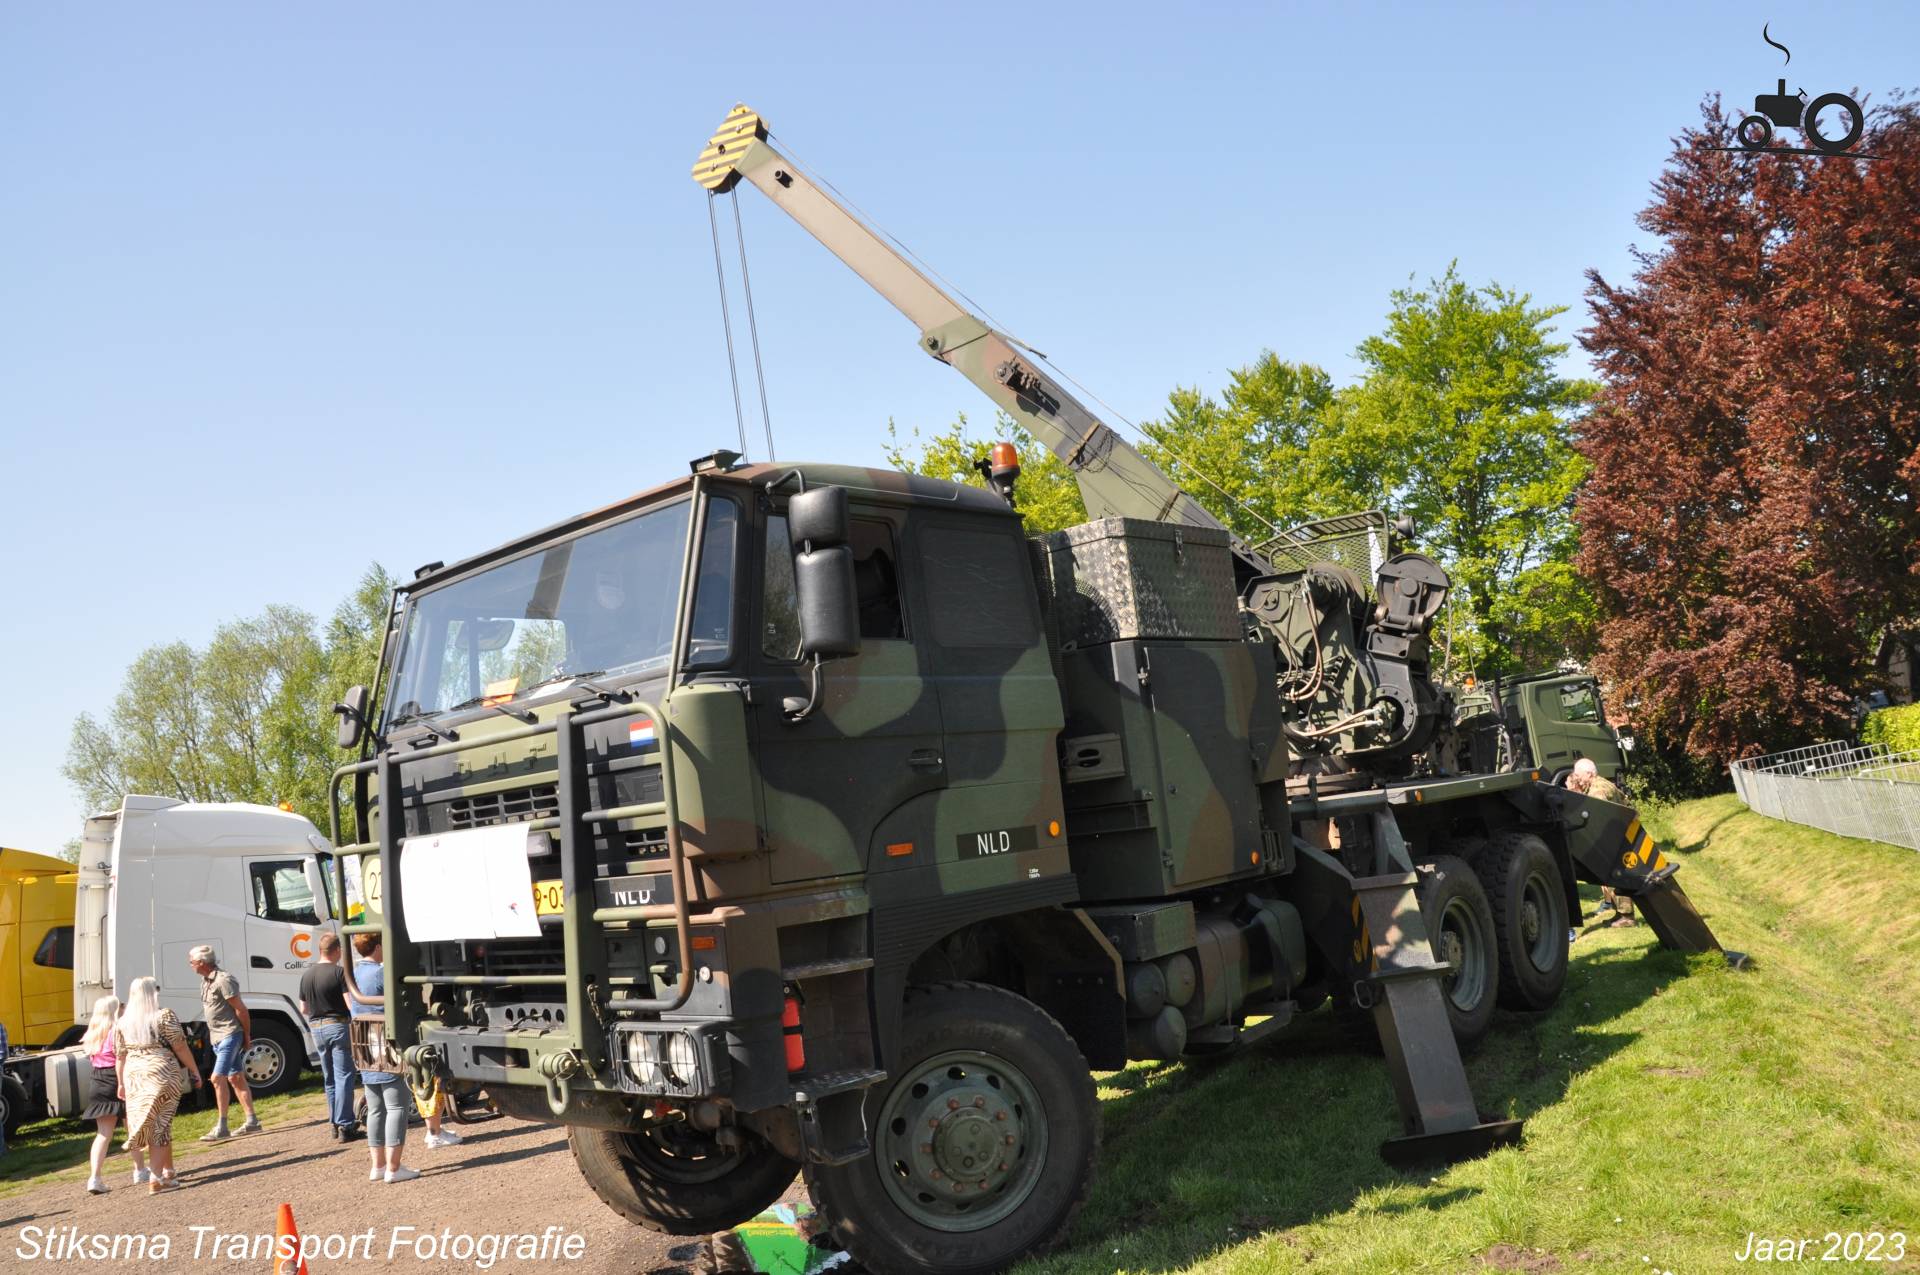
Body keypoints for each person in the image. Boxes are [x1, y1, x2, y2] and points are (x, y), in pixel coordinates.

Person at [114, 976, 202, 1193]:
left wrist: (121, 1083)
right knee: (161, 1124)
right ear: (153, 993)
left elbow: (120, 1056)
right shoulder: (164, 1015)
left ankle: (165, 1173)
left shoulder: (123, 1022)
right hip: (161, 1069)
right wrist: (194, 1069)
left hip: (134, 1073)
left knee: (149, 1124)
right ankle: (157, 1178)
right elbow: (180, 1046)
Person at [346, 933, 419, 1182]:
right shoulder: (379, 973)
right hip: (384, 1042)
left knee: (375, 1107)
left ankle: (378, 1165)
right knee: (397, 1104)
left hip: (364, 1042)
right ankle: (394, 1167)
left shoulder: (353, 972)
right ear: (378, 947)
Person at [187, 945, 262, 1139]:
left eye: (192, 961)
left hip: (230, 1034)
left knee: (216, 1079)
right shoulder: (205, 981)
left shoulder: (223, 980)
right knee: (235, 1077)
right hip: (217, 1038)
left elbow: (241, 1010)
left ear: (202, 963)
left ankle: (222, 1127)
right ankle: (252, 1121)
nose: (190, 965)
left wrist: (246, 1035)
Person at [81, 995, 152, 1193]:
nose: (123, 1008)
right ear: (114, 1010)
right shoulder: (118, 1031)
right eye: (120, 1006)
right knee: (132, 1126)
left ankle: (94, 1178)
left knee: (103, 1134)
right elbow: (124, 1057)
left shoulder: (92, 1034)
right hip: (118, 1079)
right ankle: (139, 1170)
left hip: (98, 1081)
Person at [298, 932, 359, 1141]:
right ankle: (346, 1125)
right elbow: (350, 1003)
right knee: (344, 1076)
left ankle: (334, 1122)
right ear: (338, 951)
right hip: (338, 1026)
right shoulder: (339, 972)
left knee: (329, 1078)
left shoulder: (307, 975)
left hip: (316, 1028)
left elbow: (303, 1008)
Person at [1568, 759, 1636, 925]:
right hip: (1619, 834)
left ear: (1589, 774)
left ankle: (1627, 917)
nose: (1577, 778)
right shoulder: (1596, 785)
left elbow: (1597, 815)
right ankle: (1620, 914)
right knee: (1611, 876)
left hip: (1619, 837)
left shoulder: (1598, 789)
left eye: (1578, 775)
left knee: (1617, 875)